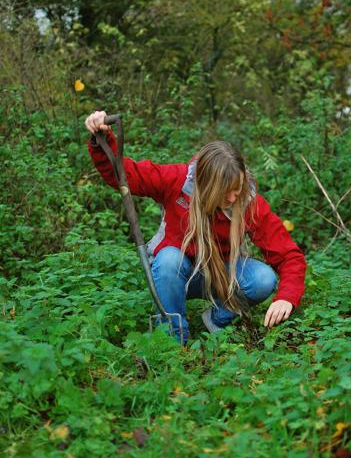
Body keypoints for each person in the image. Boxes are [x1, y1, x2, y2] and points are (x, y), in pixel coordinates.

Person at [85, 110, 307, 343]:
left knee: (263, 279)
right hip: (174, 273)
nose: (233, 198)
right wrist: (102, 140)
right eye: (225, 191)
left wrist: (287, 297)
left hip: (220, 274)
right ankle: (172, 339)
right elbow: (124, 174)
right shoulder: (177, 181)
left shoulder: (247, 203)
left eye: (237, 188)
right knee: (169, 259)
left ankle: (215, 320)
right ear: (205, 185)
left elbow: (288, 255)